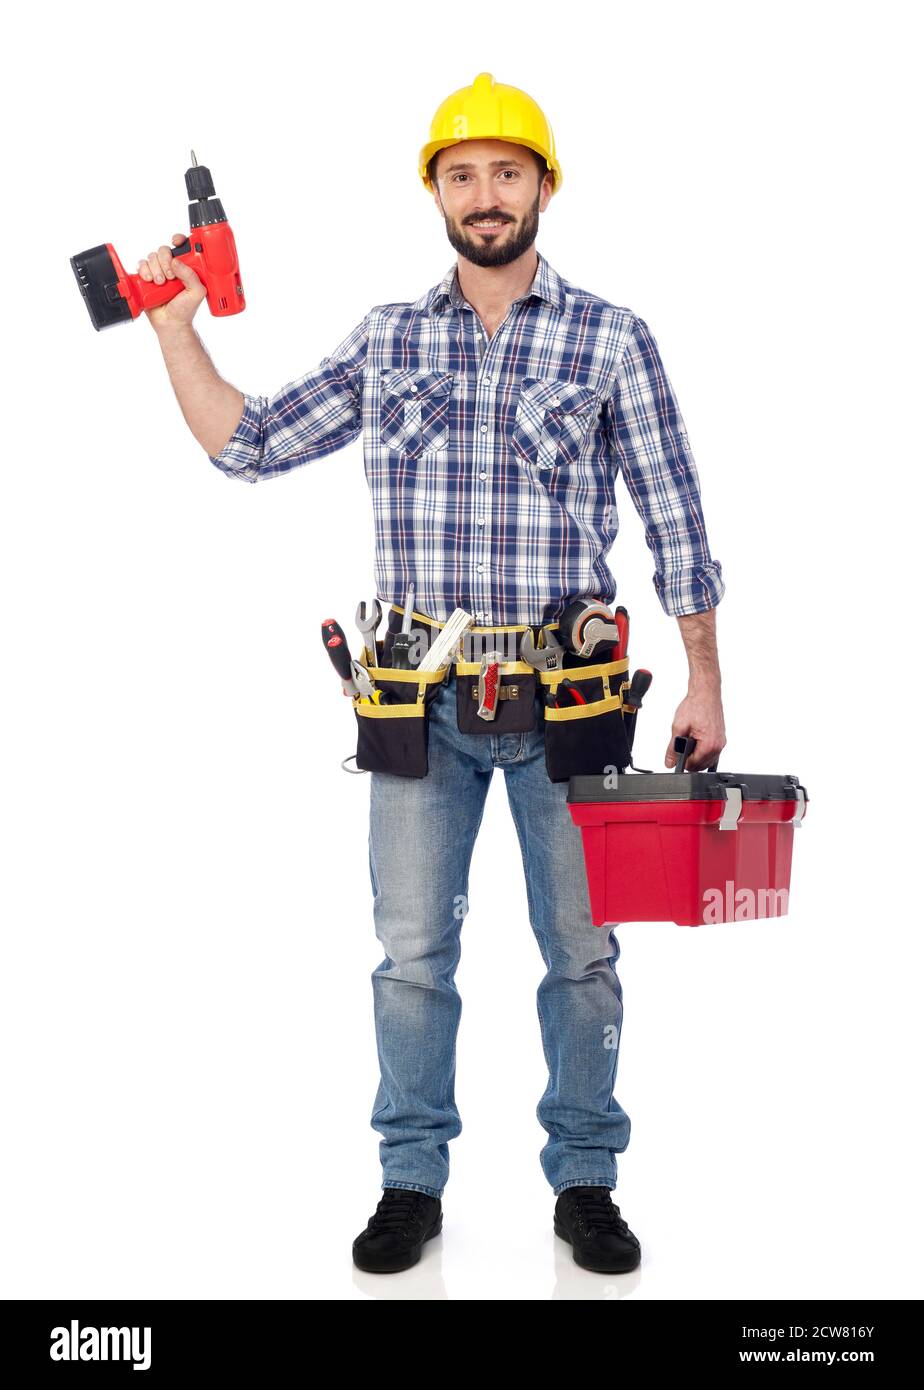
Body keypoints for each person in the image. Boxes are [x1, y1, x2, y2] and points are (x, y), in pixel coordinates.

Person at [139, 72, 726, 1276]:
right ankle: (410, 1180)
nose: (486, 194)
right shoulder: (387, 336)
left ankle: (587, 1181)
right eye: (462, 174)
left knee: (584, 954)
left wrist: (704, 680)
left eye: (508, 172)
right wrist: (176, 331)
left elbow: (676, 515)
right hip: (418, 704)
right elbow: (247, 444)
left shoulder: (612, 336)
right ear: (437, 194)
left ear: (544, 187)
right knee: (413, 956)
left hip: (574, 702)